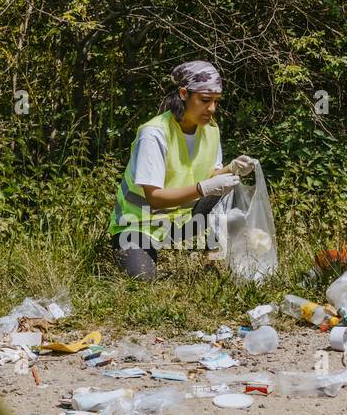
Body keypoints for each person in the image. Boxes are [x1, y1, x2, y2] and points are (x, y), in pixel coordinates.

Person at [108, 60, 255, 279]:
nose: (212, 108)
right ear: (184, 94)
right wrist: (203, 187)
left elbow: (211, 178)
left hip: (183, 222)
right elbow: (155, 198)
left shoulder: (210, 129)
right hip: (138, 226)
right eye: (205, 100)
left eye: (216, 101)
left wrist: (232, 169)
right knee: (142, 278)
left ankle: (213, 257)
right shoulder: (154, 133)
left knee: (232, 187)